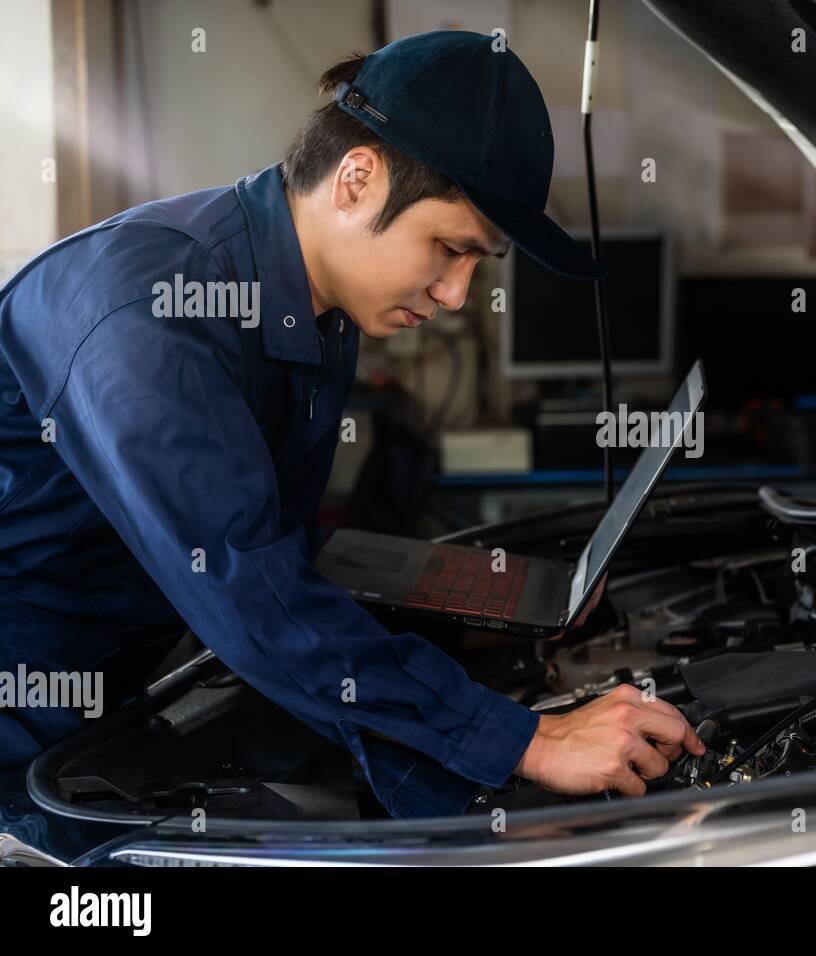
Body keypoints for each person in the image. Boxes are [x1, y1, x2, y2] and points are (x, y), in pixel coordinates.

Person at [0, 31, 702, 837]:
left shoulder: (318, 316)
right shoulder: (151, 311)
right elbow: (251, 590)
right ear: (357, 178)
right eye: (448, 249)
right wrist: (527, 739)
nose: (455, 294)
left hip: (126, 679)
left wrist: (468, 616)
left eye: (479, 264)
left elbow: (279, 554)